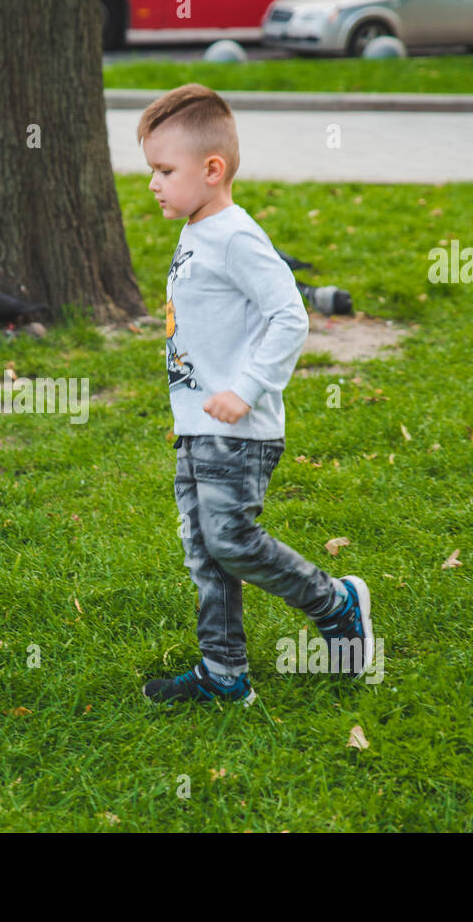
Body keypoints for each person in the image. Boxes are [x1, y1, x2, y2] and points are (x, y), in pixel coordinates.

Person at [136, 84, 375, 704]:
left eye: (164, 171)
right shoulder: (195, 229)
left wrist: (245, 389)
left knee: (233, 541)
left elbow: (290, 316)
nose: (154, 184)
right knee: (206, 555)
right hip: (197, 425)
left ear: (212, 170)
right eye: (151, 171)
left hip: (239, 429)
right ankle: (224, 674)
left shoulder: (236, 235)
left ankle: (336, 601)